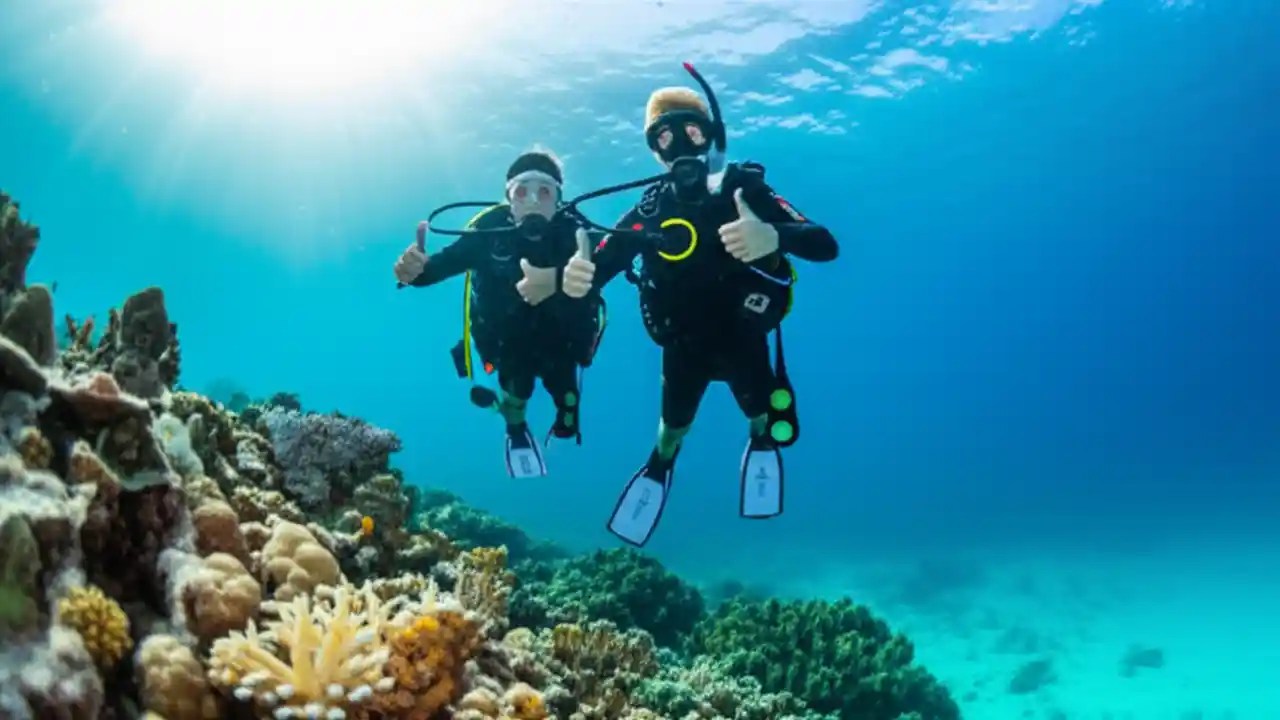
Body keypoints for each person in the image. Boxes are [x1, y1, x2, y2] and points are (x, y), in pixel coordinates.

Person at [560, 64, 839, 546]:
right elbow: (597, 269)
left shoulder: (745, 191)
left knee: (758, 409)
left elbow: (824, 243)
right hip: (683, 346)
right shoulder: (648, 212)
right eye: (666, 137)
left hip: (743, 336)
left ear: (712, 136)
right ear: (655, 149)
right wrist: (577, 277)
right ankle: (661, 464)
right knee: (672, 427)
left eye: (692, 130)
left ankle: (760, 437)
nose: (682, 146)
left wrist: (773, 233)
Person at [394, 148, 603, 479]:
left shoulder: (577, 233)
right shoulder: (486, 233)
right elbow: (436, 269)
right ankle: (516, 432)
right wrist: (412, 271)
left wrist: (586, 262)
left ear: (558, 200)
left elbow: (616, 255)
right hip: (508, 344)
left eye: (544, 191)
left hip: (561, 342)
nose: (533, 200)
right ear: (508, 198)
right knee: (515, 397)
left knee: (566, 397)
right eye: (522, 191)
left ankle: (566, 423)